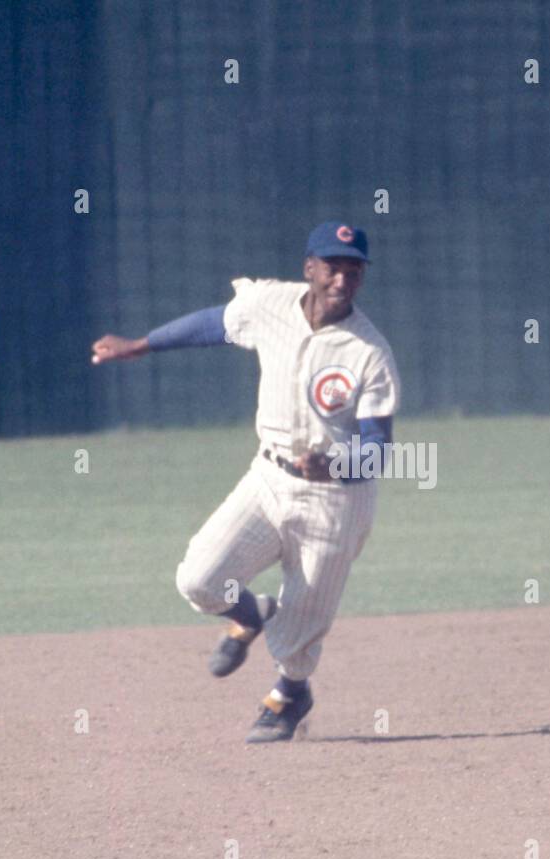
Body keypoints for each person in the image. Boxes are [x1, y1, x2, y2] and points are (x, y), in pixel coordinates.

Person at [90, 222, 400, 743]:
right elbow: (215, 323)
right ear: (310, 268)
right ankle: (250, 611)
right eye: (332, 266)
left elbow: (378, 450)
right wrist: (140, 346)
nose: (342, 278)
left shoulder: (369, 353)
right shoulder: (271, 304)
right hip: (268, 479)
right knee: (199, 579)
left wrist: (335, 465)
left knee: (298, 631)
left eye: (354, 269)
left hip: (335, 503)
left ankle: (289, 694)